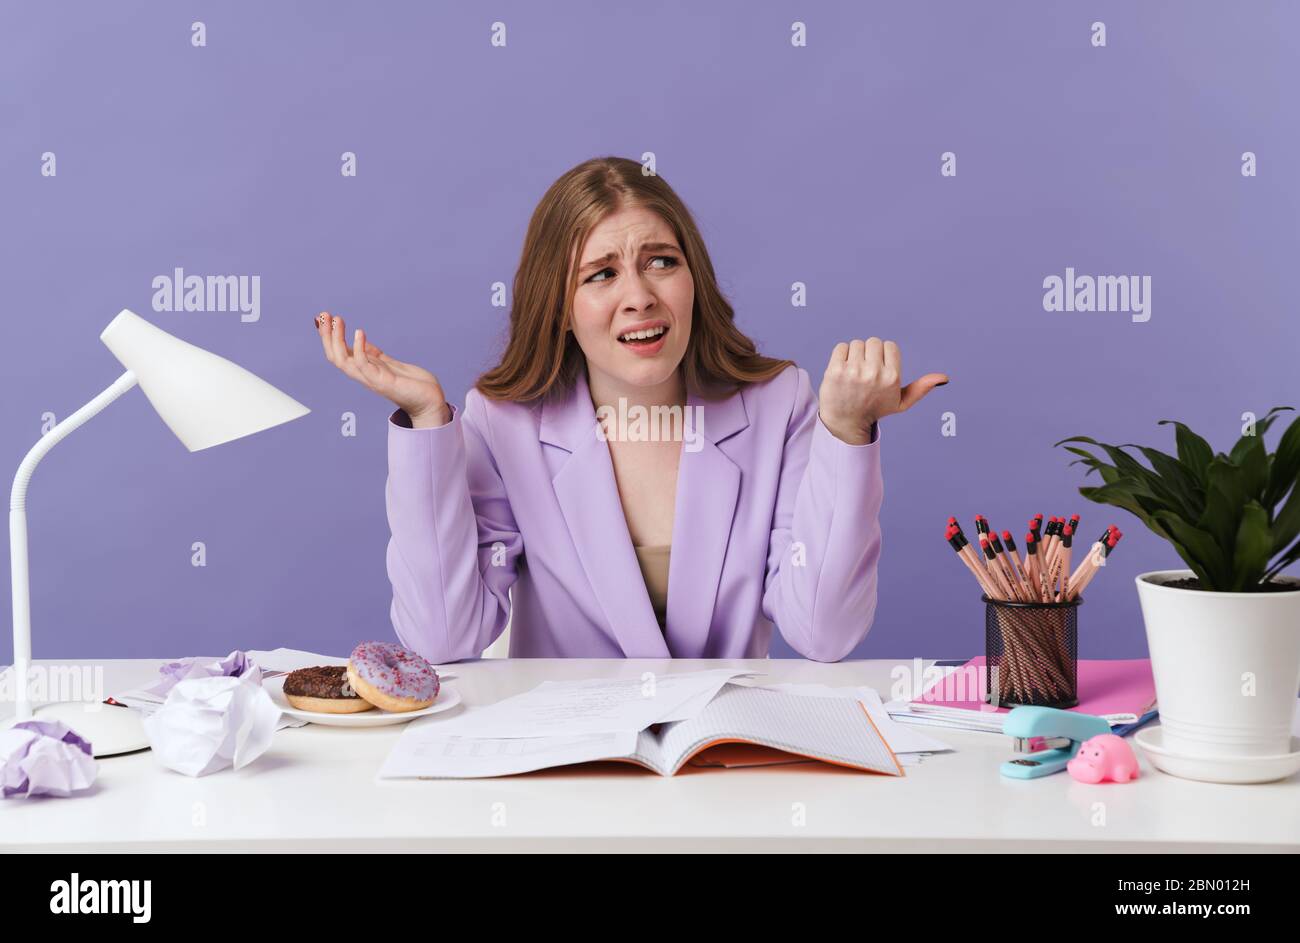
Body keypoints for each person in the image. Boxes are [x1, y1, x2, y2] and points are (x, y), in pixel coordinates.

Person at [315, 156, 946, 663]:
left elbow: (824, 633)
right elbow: (443, 638)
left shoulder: (777, 405)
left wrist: (846, 432)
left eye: (661, 263)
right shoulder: (502, 422)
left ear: (692, 278)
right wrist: (428, 424)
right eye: (600, 275)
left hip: (722, 765)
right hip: (568, 770)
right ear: (560, 307)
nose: (639, 297)